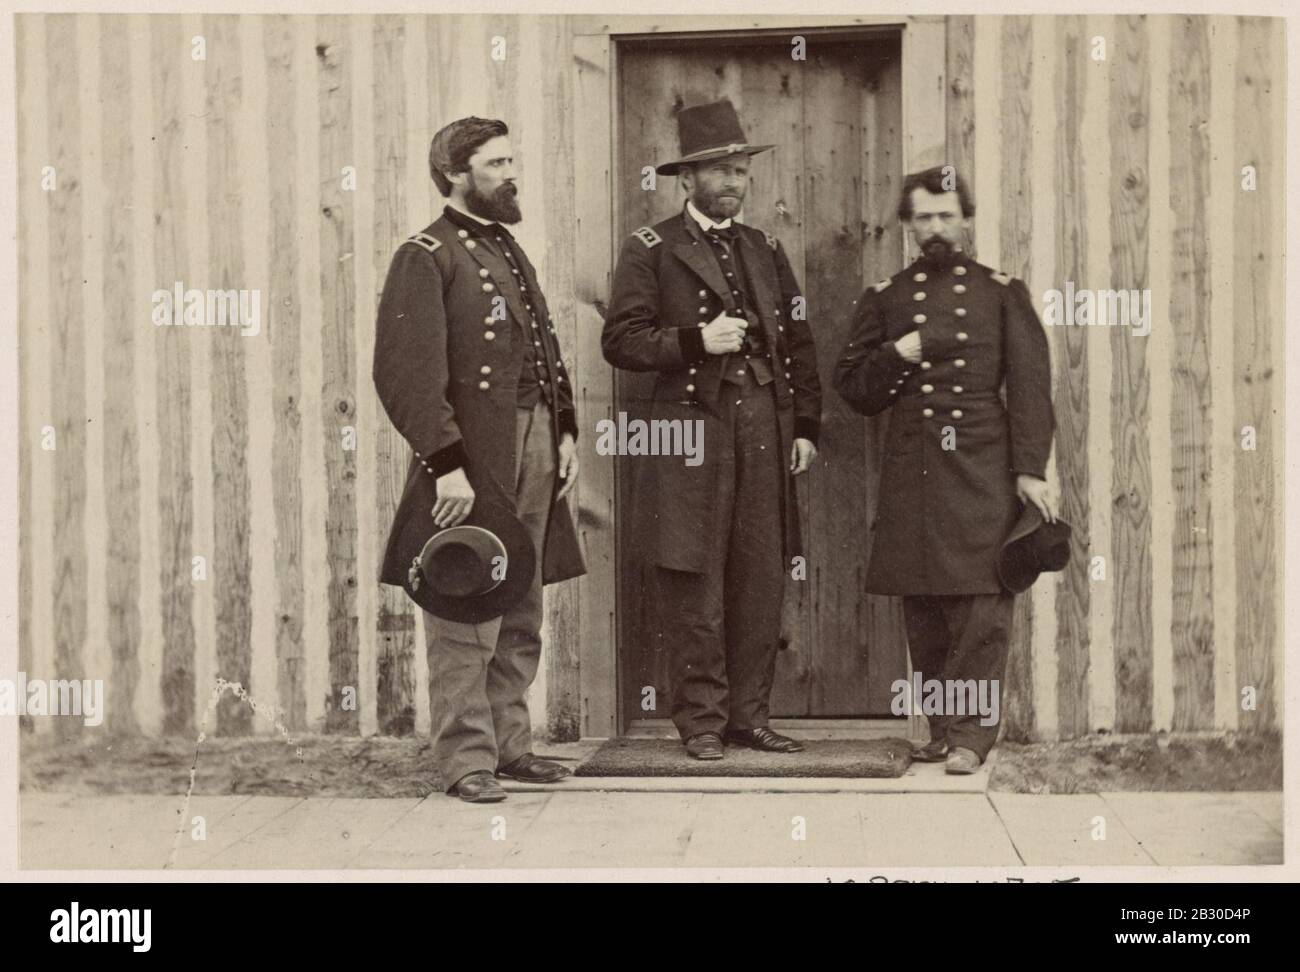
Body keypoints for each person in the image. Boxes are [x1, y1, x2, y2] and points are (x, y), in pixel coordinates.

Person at [602, 100, 821, 761]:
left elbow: (798, 341)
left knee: (759, 572)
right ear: (686, 179)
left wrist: (806, 424)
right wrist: (699, 340)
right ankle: (700, 723)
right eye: (718, 172)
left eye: (739, 171)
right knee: (693, 575)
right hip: (690, 432)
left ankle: (748, 718)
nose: (732, 184)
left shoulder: (764, 248)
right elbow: (621, 341)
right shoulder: (650, 248)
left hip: (764, 424)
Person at [374, 116, 585, 802]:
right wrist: (447, 465)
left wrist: (565, 432)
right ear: (456, 175)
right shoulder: (426, 254)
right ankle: (467, 760)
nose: (510, 173)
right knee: (466, 600)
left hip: (534, 445)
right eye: (496, 164)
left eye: (510, 160)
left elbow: (542, 352)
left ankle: (511, 747)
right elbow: (405, 375)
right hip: (474, 456)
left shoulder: (505, 248)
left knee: (519, 596)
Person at [833, 166, 1055, 774]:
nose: (935, 227)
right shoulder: (885, 297)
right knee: (926, 606)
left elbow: (1031, 387)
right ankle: (938, 730)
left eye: (946, 215)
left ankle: (971, 738)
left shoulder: (1002, 291)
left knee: (983, 605)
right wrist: (896, 353)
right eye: (923, 217)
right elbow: (853, 388)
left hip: (983, 464)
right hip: (915, 469)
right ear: (907, 225)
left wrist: (1030, 469)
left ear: (965, 220)